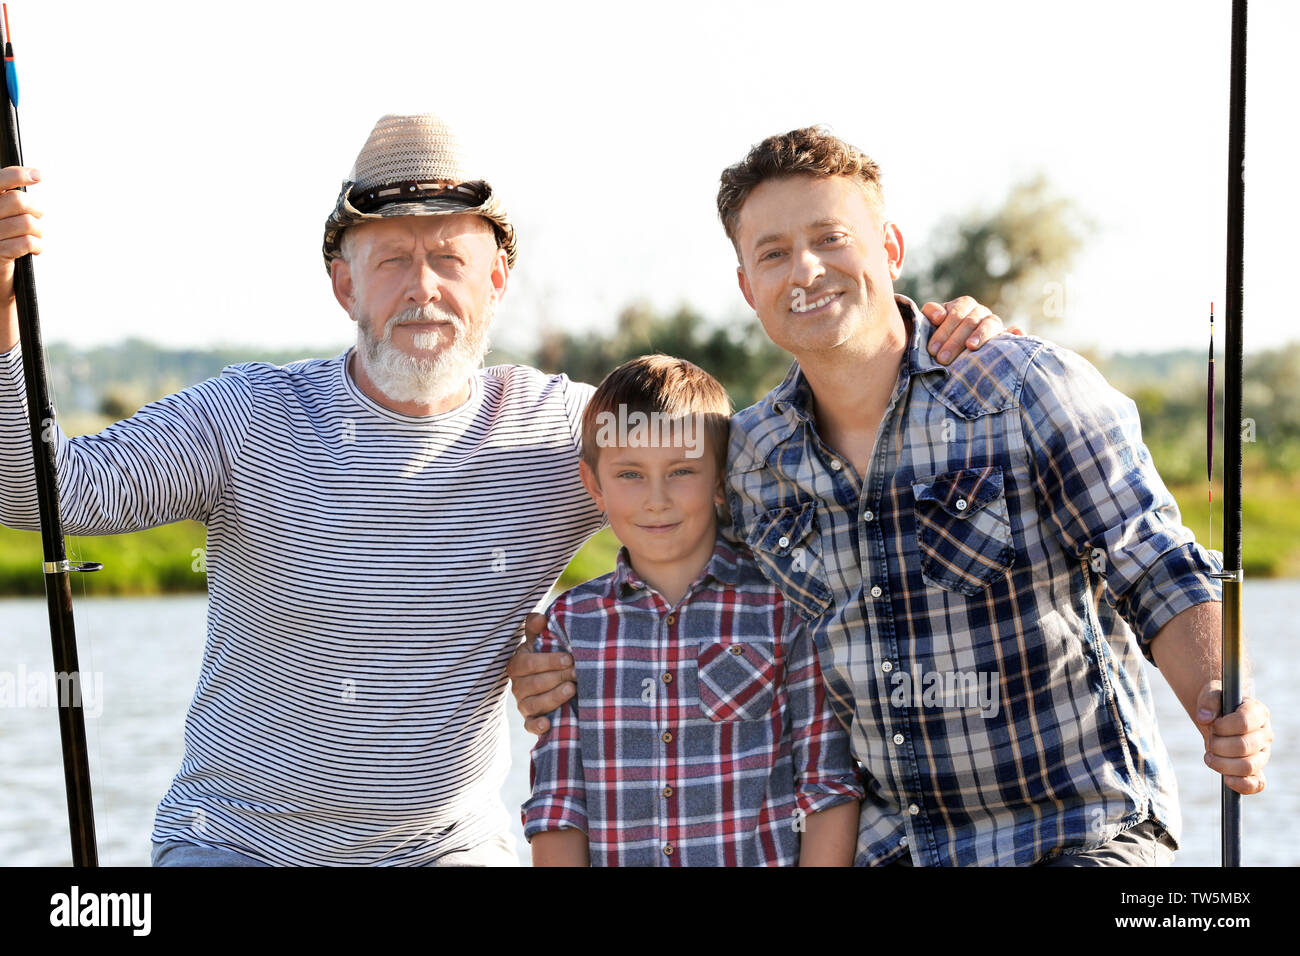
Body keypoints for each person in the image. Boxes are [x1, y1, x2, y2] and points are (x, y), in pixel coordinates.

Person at [0, 114, 1005, 866]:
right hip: (237, 844)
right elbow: (37, 492)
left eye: (450, 256)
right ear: (342, 284)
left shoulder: (564, 428)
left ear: (497, 279)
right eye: (391, 260)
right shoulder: (243, 416)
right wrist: (0, 300)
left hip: (450, 847)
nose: (423, 285)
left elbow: (745, 470)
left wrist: (935, 338)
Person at [510, 126, 1274, 866]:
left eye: (830, 238)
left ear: (892, 250)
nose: (804, 270)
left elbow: (1156, 564)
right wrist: (553, 660)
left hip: (1076, 834)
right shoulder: (747, 461)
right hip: (888, 850)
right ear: (748, 287)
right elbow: (676, 585)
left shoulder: (1029, 390)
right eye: (772, 253)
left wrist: (1218, 697)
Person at [524, 355, 863, 866]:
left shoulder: (782, 607)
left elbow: (827, 782)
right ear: (595, 484)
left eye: (681, 471)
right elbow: (558, 807)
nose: (656, 499)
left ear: (720, 481)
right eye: (631, 474)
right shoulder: (571, 627)